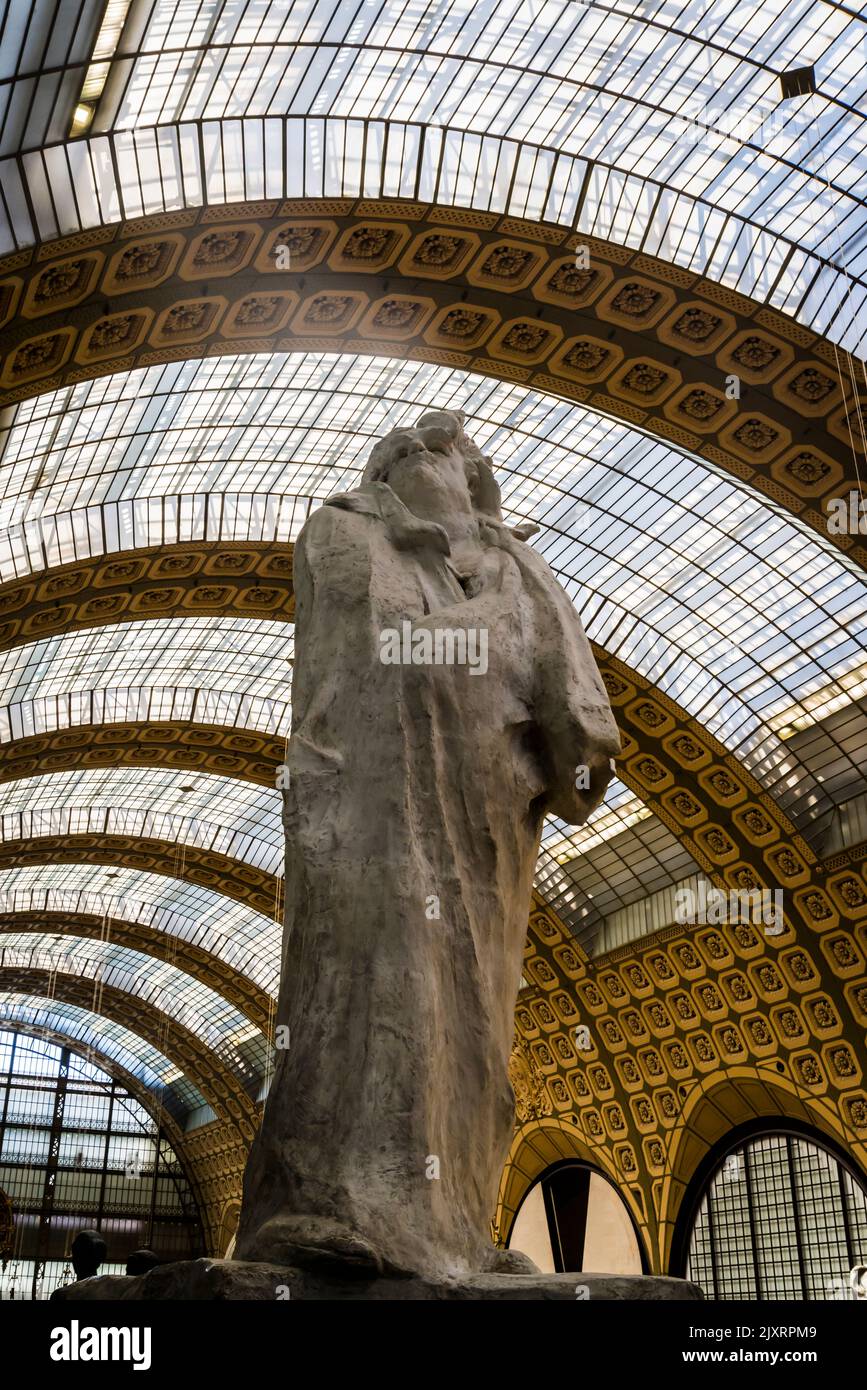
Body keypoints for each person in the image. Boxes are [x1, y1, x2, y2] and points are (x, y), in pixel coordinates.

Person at [235, 409, 619, 1279]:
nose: (441, 468)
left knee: (469, 1026)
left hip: (482, 829)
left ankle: (447, 1231)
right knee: (361, 990)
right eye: (415, 455)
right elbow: (372, 651)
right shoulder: (343, 531)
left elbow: (583, 751)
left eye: (452, 458)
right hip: (368, 806)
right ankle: (331, 1205)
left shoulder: (521, 571)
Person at [49, 1229, 107, 1298]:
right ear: (100, 1260)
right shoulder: (110, 1293)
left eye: (76, 1255)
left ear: (74, 1260)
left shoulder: (61, 1295)